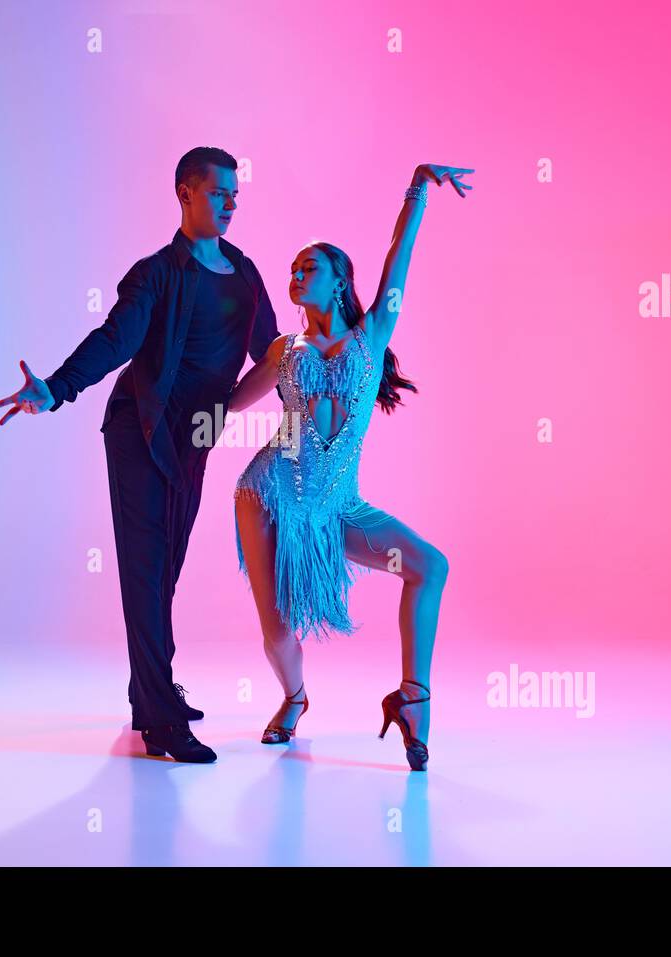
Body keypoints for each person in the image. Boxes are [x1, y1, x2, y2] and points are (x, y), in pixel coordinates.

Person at [0, 147, 279, 763]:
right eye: (218, 192)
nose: (230, 203)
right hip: (140, 432)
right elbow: (114, 340)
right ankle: (160, 722)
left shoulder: (245, 274)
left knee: (165, 568)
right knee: (145, 570)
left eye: (236, 194)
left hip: (197, 433)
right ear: (185, 193)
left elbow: (271, 353)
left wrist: (334, 370)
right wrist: (55, 388)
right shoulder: (155, 274)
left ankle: (149, 689)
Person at [228, 163, 474, 771]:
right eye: (292, 270)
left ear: (340, 280)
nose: (295, 276)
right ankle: (295, 698)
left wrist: (417, 188)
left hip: (339, 506)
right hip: (268, 494)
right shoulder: (284, 350)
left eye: (308, 267)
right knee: (277, 630)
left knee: (430, 566)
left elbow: (398, 260)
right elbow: (224, 406)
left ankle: (413, 698)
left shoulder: (372, 335)